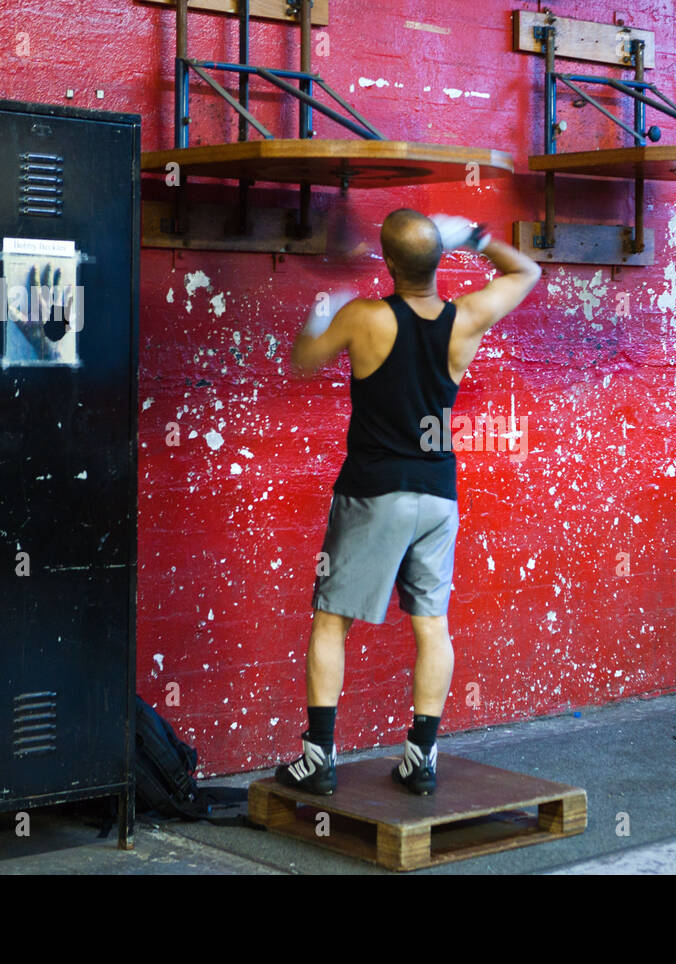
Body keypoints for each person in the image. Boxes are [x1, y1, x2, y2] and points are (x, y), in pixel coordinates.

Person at [277, 209, 541, 795]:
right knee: (432, 625)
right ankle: (421, 758)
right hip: (438, 495)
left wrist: (320, 309)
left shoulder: (366, 317)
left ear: (390, 264)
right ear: (439, 258)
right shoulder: (466, 317)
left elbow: (303, 360)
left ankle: (318, 758)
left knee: (330, 621)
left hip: (376, 492)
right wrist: (478, 236)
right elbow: (526, 273)